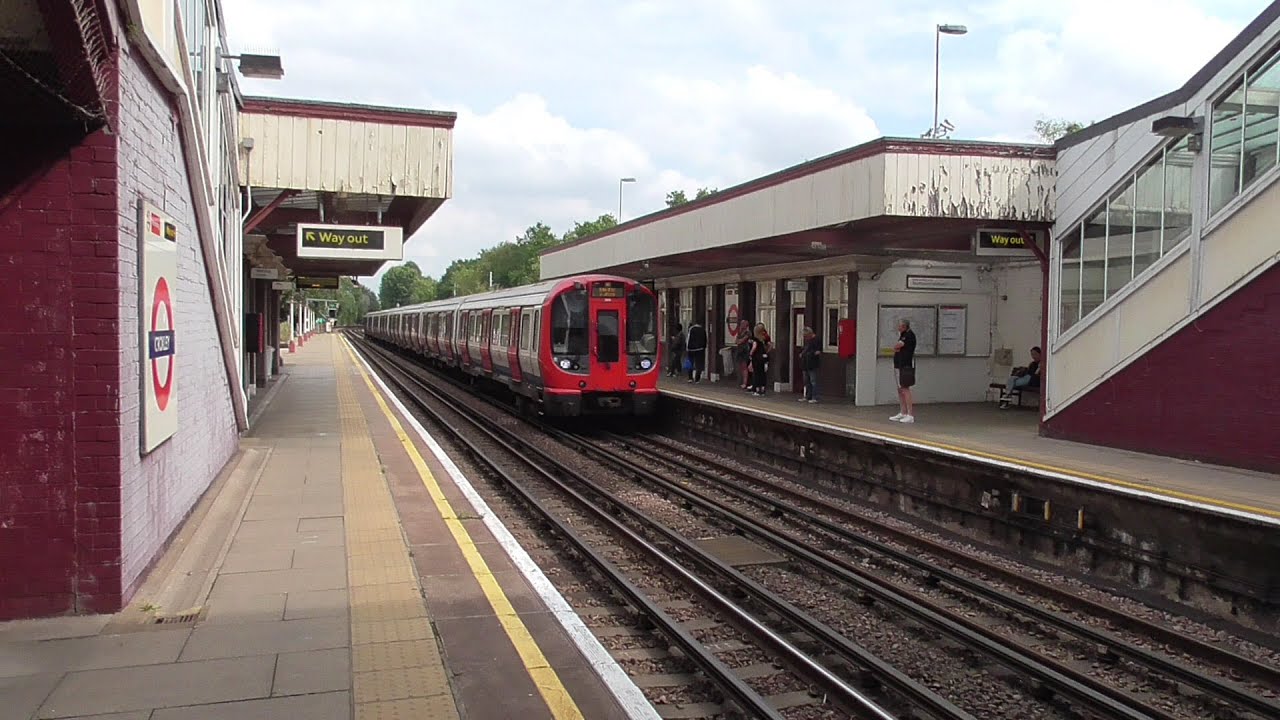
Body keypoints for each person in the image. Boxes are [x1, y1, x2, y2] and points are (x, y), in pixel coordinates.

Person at [890, 319, 916, 423]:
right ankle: (903, 412)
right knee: (900, 389)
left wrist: (897, 348)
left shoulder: (909, 335)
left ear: (904, 326)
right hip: (898, 365)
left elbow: (897, 346)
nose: (898, 328)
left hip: (905, 366)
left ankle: (910, 414)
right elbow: (896, 348)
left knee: (905, 388)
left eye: (900, 326)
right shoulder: (902, 335)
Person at [798, 326, 821, 403]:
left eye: (806, 336)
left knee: (813, 381)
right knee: (806, 381)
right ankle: (807, 396)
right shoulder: (807, 341)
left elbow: (818, 351)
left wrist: (811, 354)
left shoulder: (816, 340)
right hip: (805, 363)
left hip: (812, 363)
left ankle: (815, 397)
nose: (805, 338)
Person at [748, 323, 770, 396]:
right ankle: (763, 390)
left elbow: (754, 347)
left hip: (756, 358)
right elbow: (770, 345)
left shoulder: (756, 339)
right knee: (763, 374)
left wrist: (750, 354)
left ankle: (757, 390)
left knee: (757, 373)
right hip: (764, 357)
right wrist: (766, 352)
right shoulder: (765, 337)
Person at [734, 320, 752, 389]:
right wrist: (739, 341)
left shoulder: (748, 333)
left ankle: (745, 382)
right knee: (740, 367)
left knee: (744, 367)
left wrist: (739, 341)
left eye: (743, 324)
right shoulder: (740, 332)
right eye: (741, 324)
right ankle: (741, 381)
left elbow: (741, 341)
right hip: (740, 351)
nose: (741, 325)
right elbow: (736, 341)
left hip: (745, 351)